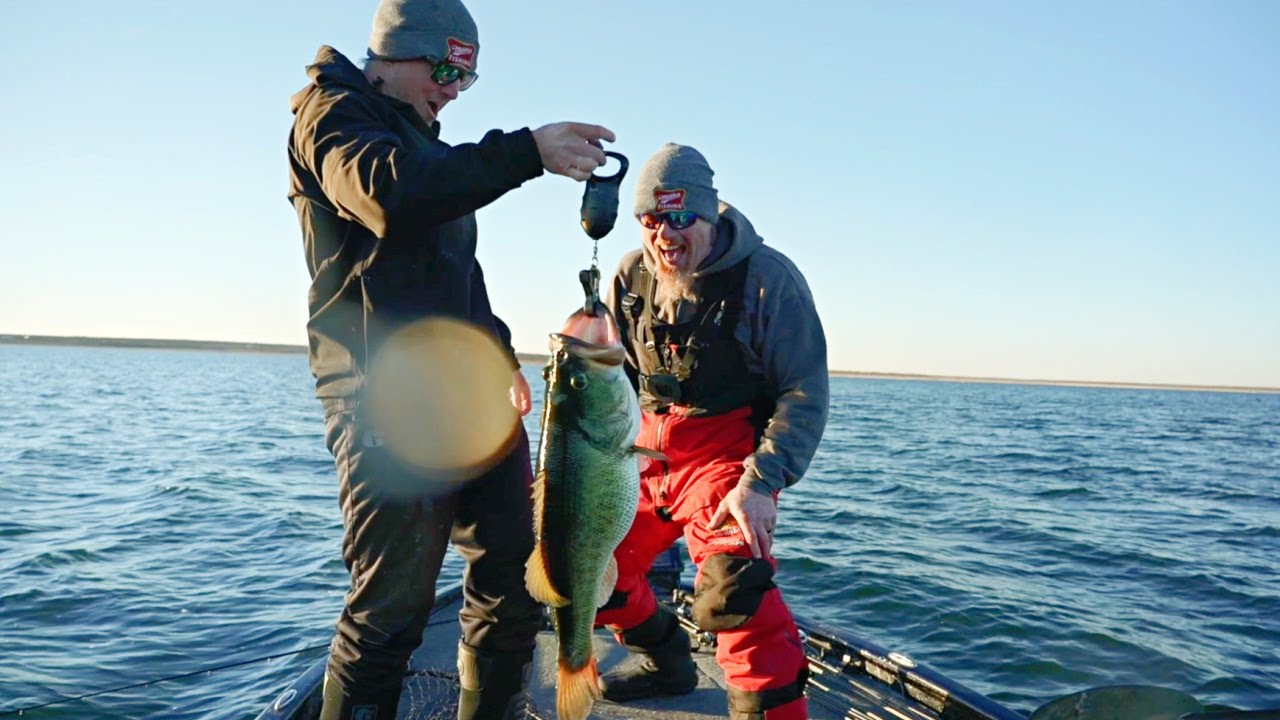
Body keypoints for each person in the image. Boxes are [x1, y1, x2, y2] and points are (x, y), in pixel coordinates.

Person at [286, 0, 614, 718]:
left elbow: (460, 275)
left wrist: (498, 355)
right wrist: (527, 151)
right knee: (390, 616)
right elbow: (388, 195)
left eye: (467, 76)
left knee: (514, 574)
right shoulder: (332, 119)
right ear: (394, 54)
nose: (454, 89)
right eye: (443, 69)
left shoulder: (426, 145)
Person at [598, 144, 830, 720]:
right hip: (646, 448)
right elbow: (615, 385)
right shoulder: (629, 276)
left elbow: (804, 392)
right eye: (651, 220)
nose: (665, 235)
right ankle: (665, 662)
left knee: (733, 591)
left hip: (727, 458)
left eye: (680, 218)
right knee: (592, 570)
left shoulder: (768, 279)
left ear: (710, 215)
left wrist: (761, 482)